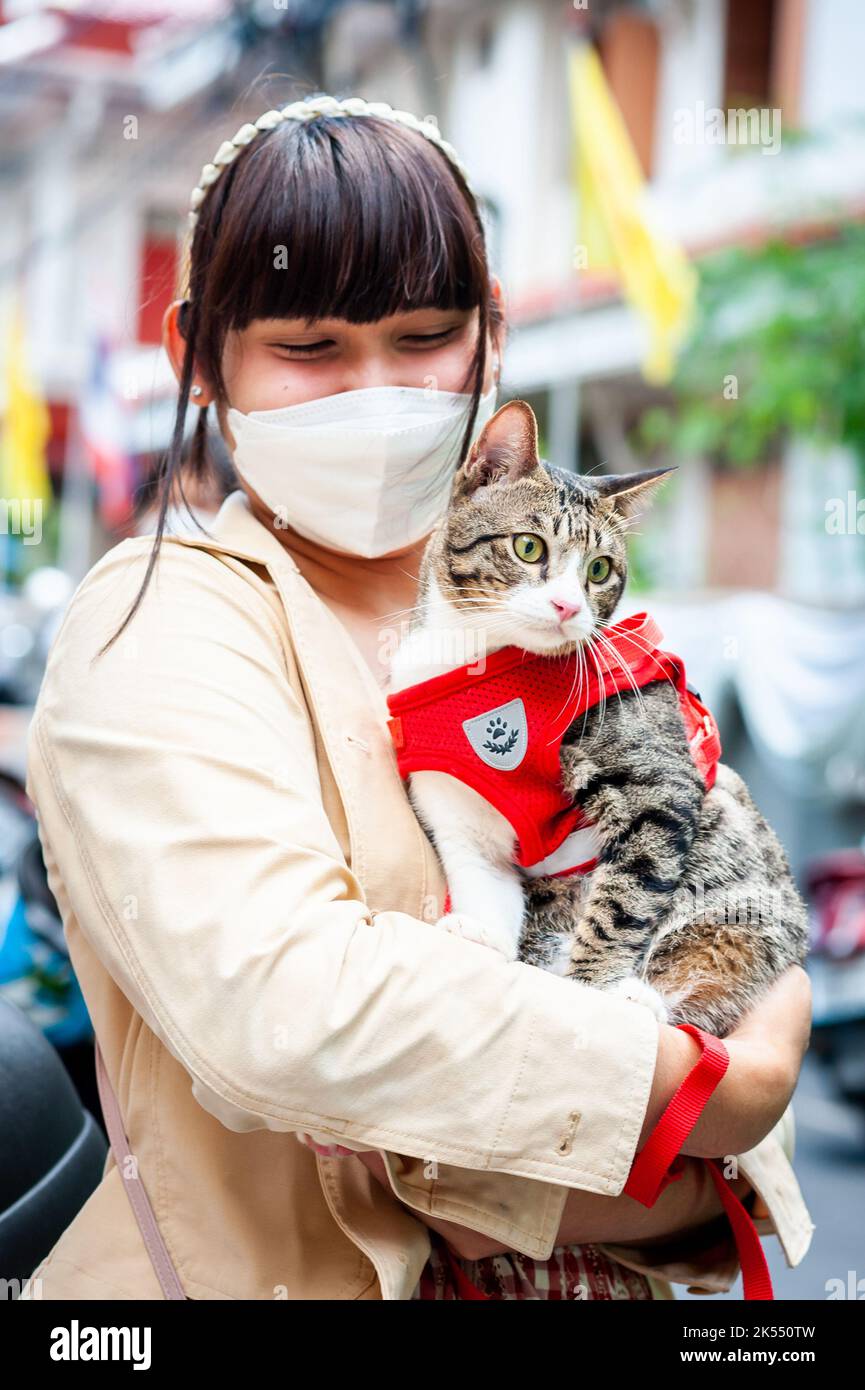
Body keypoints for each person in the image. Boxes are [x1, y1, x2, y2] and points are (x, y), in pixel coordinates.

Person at [20, 92, 814, 1301]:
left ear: (487, 341)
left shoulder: (555, 613)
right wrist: (710, 1093)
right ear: (197, 349)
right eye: (308, 347)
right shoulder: (159, 624)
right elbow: (290, 1008)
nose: (374, 392)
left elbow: (733, 921)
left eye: (422, 336)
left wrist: (721, 1116)